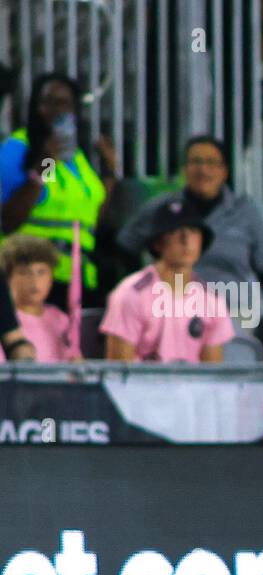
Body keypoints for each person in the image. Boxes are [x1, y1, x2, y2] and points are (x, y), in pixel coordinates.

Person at [116, 136, 263, 359]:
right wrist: (142, 286)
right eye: (195, 162)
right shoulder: (164, 208)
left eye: (211, 163)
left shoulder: (246, 212)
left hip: (232, 311)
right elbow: (124, 245)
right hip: (169, 309)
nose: (203, 169)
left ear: (225, 171)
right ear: (184, 169)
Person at [0, 73, 118, 311]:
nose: (56, 110)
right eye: (48, 102)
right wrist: (45, 164)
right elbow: (7, 221)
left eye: (65, 103)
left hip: (76, 279)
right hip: (28, 279)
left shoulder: (77, 157)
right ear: (35, 106)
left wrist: (109, 174)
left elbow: (90, 220)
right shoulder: (17, 148)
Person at [100, 199, 233, 363]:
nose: (185, 239)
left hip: (194, 388)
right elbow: (118, 374)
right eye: (174, 231)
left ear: (201, 241)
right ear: (157, 243)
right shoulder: (130, 294)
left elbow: (213, 377)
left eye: (193, 230)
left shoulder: (212, 301)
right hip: (143, 387)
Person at [0, 235, 77, 362]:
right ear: (6, 279)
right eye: (24, 272)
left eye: (41, 272)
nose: (34, 280)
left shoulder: (61, 319)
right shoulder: (5, 319)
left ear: (51, 278)